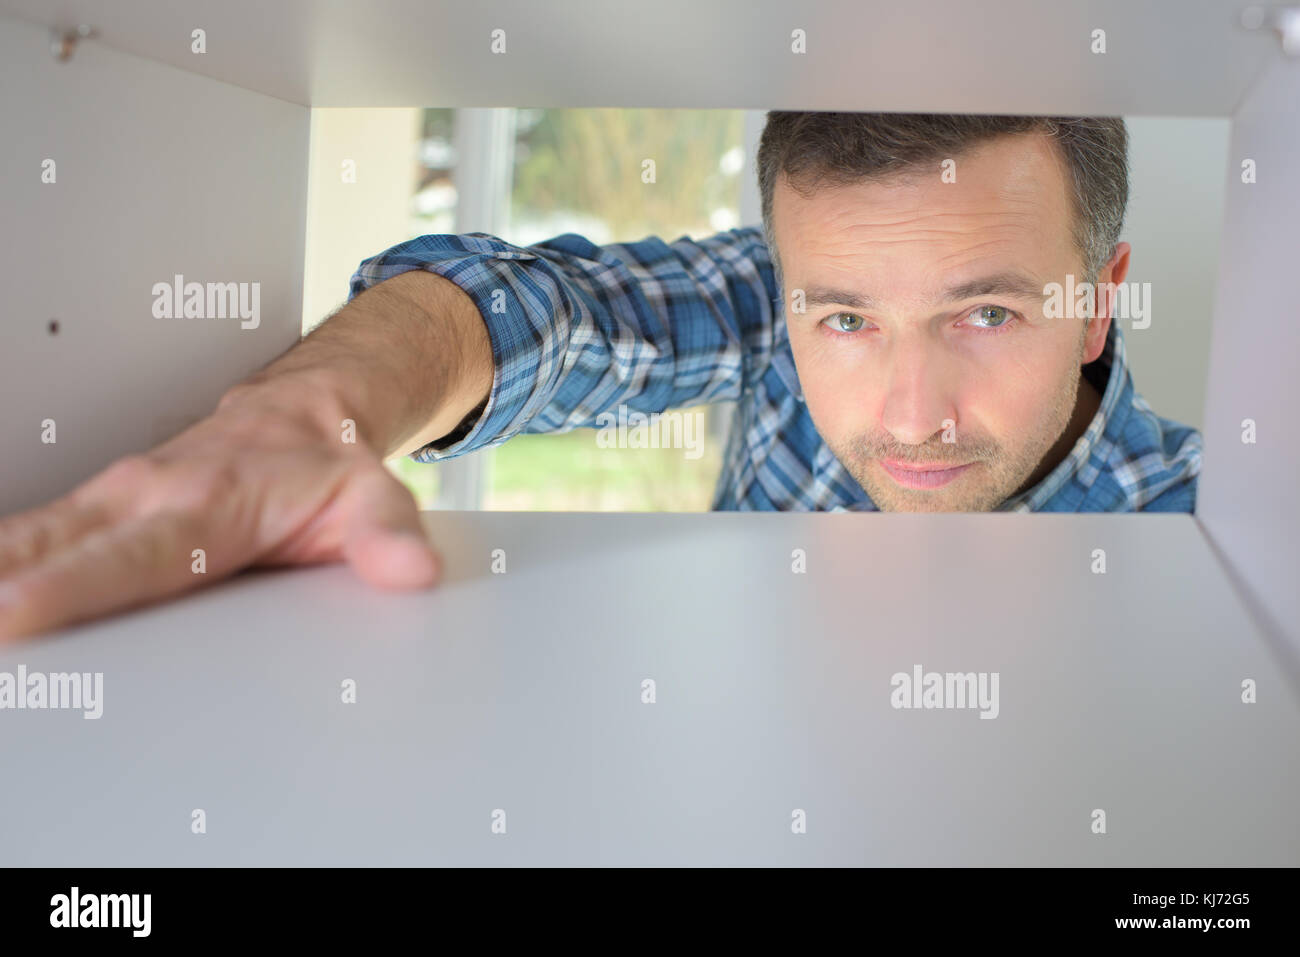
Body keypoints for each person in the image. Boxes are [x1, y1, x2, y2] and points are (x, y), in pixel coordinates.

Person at [0, 112, 1201, 641]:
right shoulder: (764, 306)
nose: (911, 414)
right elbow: (547, 307)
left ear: (1099, 297)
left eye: (985, 312)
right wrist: (301, 417)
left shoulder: (1216, 526)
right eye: (844, 319)